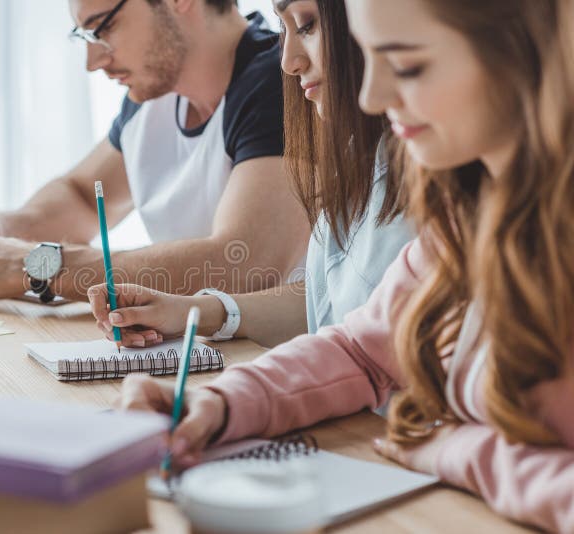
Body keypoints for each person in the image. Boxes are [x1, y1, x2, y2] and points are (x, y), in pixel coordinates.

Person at [117, 0, 574, 531]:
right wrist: (223, 403)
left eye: (407, 65)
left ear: (521, 50)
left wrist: (461, 450)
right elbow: (363, 350)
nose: (371, 95)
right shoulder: (467, 210)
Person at [0, 0, 309, 303]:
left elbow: (245, 265)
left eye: (104, 27)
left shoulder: (280, 82)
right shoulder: (156, 94)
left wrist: (35, 266)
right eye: (85, 36)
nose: (92, 61)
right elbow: (82, 197)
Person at [88, 0, 414, 350]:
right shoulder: (364, 154)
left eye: (306, 24)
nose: (288, 62)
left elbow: (245, 260)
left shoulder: (266, 85)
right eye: (284, 28)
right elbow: (330, 305)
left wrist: (55, 269)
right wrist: (193, 312)